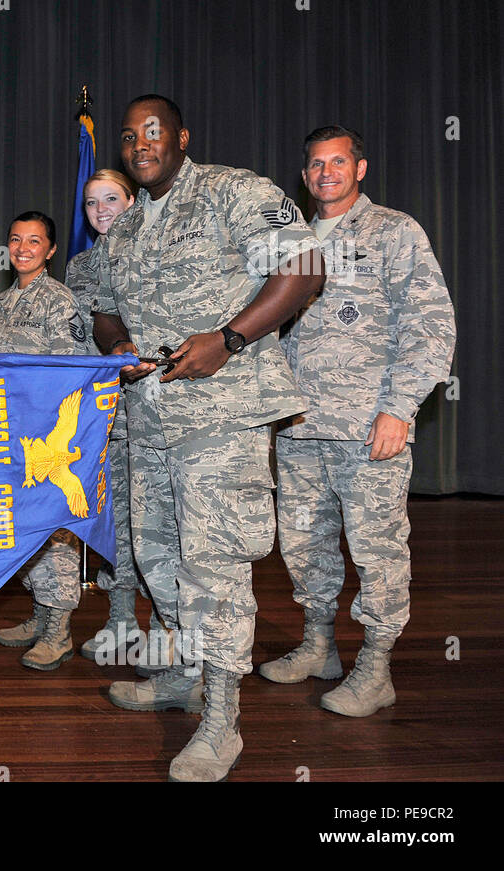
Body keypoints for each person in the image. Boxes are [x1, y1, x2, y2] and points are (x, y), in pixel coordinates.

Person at [90, 95, 324, 781]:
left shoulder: (233, 190)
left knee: (214, 565)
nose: (140, 143)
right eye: (129, 136)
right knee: (156, 554)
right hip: (152, 418)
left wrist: (229, 339)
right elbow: (102, 307)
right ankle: (183, 673)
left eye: (154, 130)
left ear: (182, 136)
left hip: (222, 416)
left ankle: (221, 719)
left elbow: (304, 268)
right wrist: (120, 342)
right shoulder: (125, 231)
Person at [259, 126, 456, 716]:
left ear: (360, 168)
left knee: (377, 549)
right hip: (297, 424)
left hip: (368, 426)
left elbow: (430, 324)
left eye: (338, 162)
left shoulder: (394, 231)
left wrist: (400, 409)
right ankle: (319, 646)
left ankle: (376, 666)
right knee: (303, 544)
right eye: (317, 165)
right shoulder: (287, 239)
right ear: (305, 174)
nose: (327, 173)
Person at [57, 169, 159, 670]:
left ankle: (167, 630)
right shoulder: (79, 267)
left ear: (133, 199)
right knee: (115, 518)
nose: (101, 210)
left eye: (111, 198)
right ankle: (121, 618)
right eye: (92, 202)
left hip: (158, 409)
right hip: (104, 413)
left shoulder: (157, 249)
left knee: (160, 524)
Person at [0, 211, 89, 670]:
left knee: (54, 534)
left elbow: (70, 373)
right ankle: (39, 614)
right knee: (23, 532)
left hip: (46, 441)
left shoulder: (59, 302)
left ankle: (59, 630)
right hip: (9, 437)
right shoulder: (3, 302)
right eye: (16, 239)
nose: (23, 248)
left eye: (34, 241)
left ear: (50, 250)